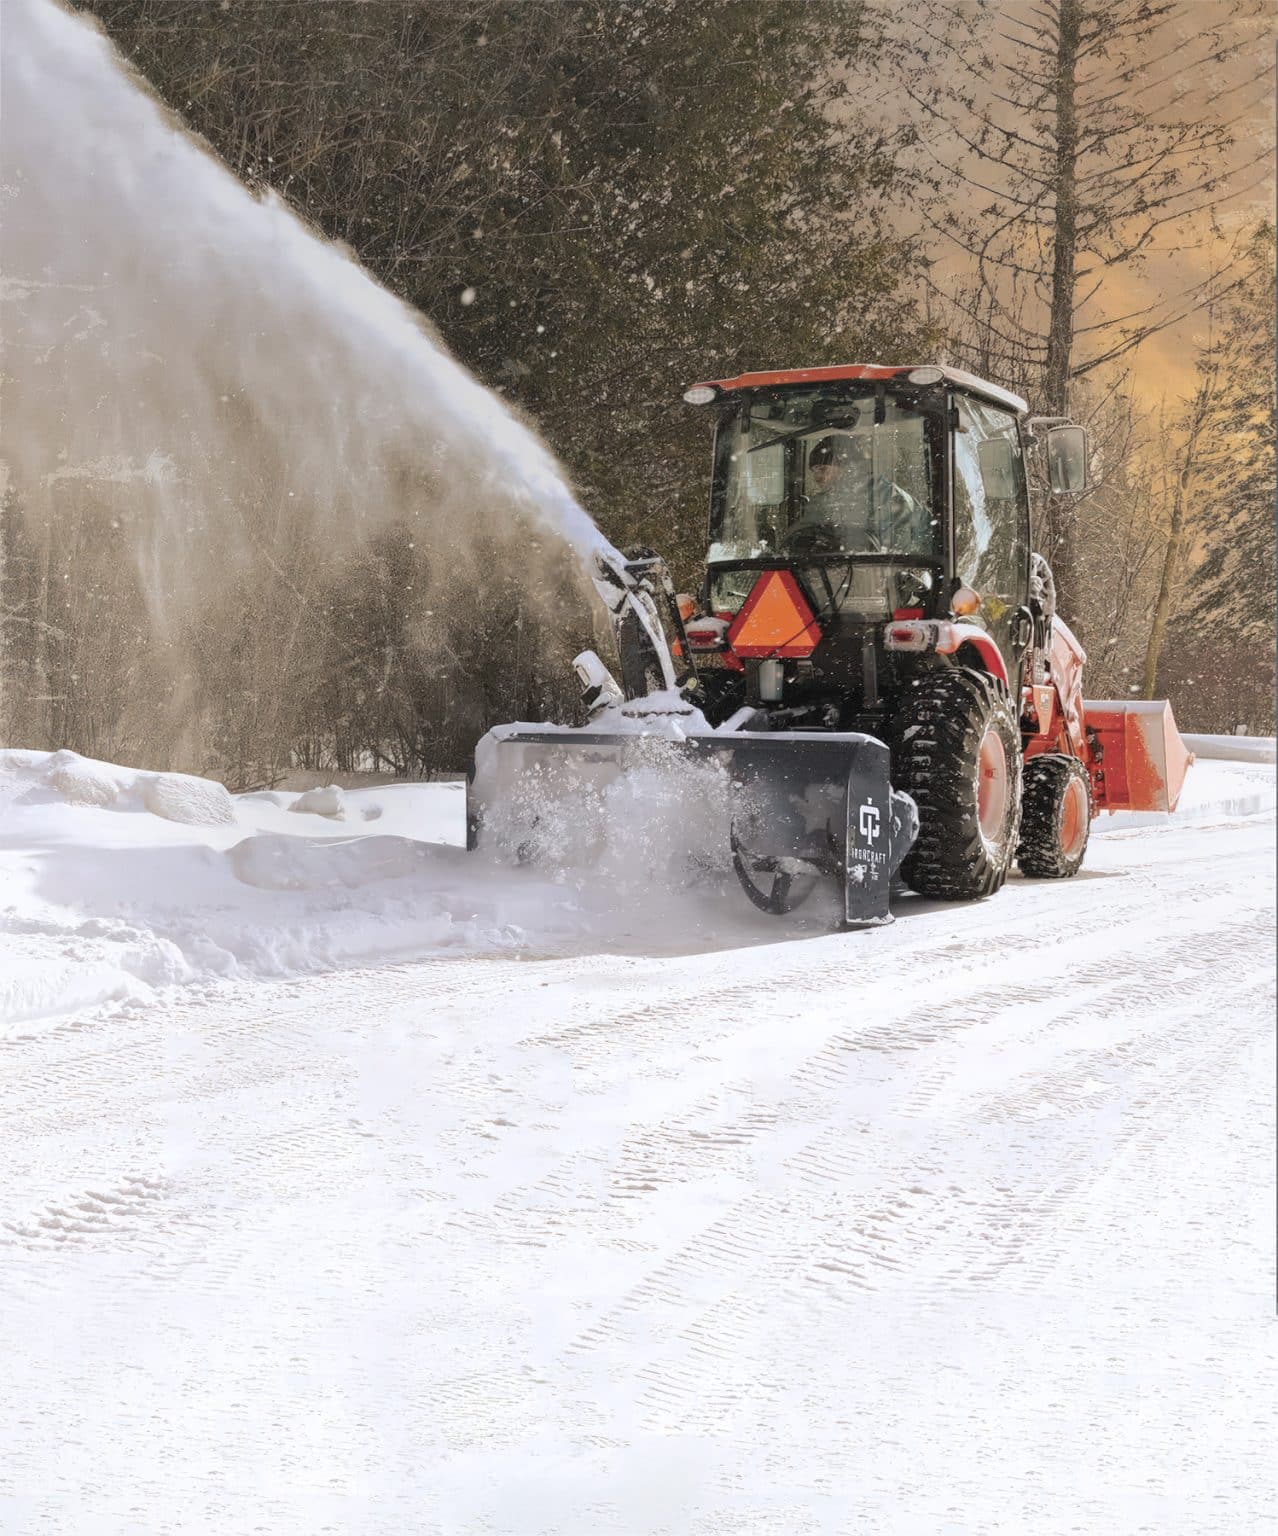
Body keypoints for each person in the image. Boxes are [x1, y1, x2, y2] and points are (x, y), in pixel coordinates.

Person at [785, 432, 926, 553]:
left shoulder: (886, 496)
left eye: (822, 469)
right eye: (814, 471)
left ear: (847, 468)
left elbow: (897, 553)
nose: (817, 478)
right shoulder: (821, 502)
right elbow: (795, 537)